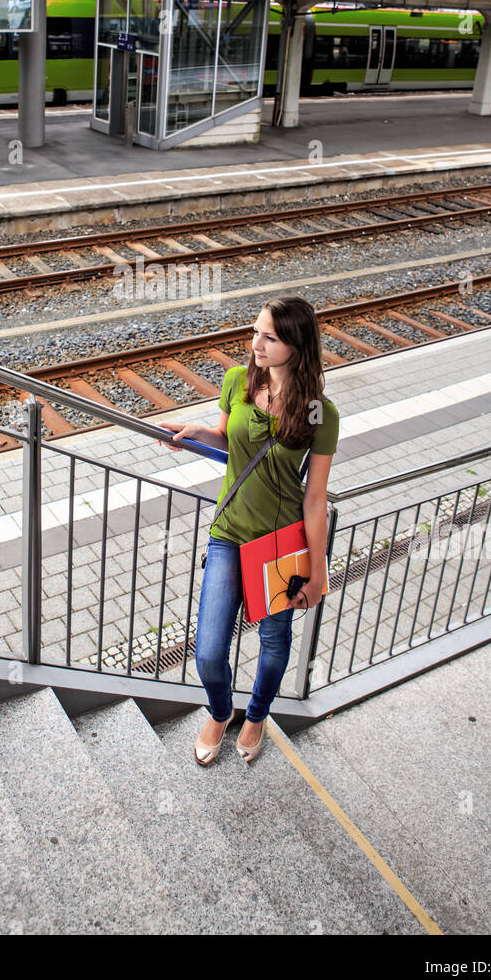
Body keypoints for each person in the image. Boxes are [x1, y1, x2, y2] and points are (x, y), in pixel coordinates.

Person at [160, 295, 338, 765]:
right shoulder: (237, 381)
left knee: (274, 642)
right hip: (228, 532)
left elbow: (316, 498)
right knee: (209, 650)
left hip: (279, 543)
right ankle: (221, 712)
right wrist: (200, 434)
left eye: (269, 337)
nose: (255, 343)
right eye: (255, 331)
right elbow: (226, 443)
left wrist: (318, 576)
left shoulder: (320, 412)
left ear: (296, 346)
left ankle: (257, 715)